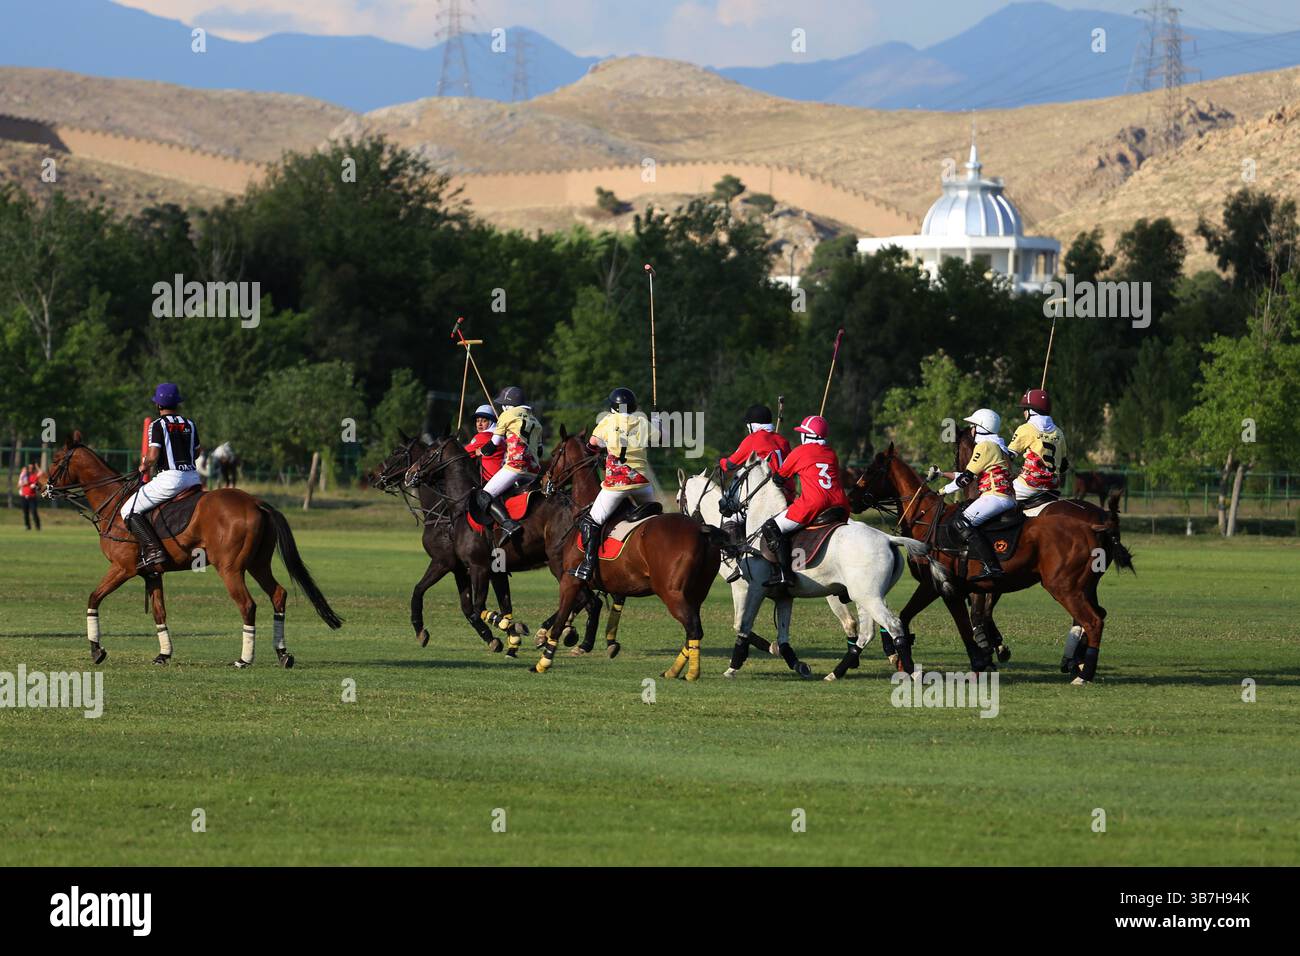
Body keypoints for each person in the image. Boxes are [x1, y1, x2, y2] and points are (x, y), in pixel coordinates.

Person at [571, 387, 660, 583]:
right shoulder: (643, 422)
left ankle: (587, 565)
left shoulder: (607, 421)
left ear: (612, 406)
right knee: (655, 518)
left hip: (616, 484)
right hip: (642, 482)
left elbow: (592, 445)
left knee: (591, 521)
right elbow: (659, 439)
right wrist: (657, 423)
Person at [119, 383, 203, 570]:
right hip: (193, 478)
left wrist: (144, 465)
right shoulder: (190, 424)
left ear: (158, 405)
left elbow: (154, 455)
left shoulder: (157, 425)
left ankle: (153, 550)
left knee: (128, 510)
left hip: (170, 480)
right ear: (177, 404)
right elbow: (197, 452)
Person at [762, 415, 851, 589]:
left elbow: (779, 478)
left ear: (807, 436)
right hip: (840, 504)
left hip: (813, 504)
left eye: (803, 432)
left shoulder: (800, 452)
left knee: (771, 526)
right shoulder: (831, 453)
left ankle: (784, 573)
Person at [938, 408, 1014, 580]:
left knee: (960, 522)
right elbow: (968, 476)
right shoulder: (999, 445)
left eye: (973, 425)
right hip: (1005, 496)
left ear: (980, 428)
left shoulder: (985, 446)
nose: (971, 430)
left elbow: (965, 479)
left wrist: (940, 492)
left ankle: (992, 567)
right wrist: (942, 475)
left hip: (995, 496)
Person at [474, 386, 541, 540]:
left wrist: (480, 452)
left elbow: (492, 446)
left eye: (503, 404)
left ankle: (508, 524)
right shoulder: (535, 421)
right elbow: (539, 450)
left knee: (484, 495)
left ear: (507, 405)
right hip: (534, 470)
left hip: (515, 467)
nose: (502, 407)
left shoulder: (506, 415)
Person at [1008, 388, 1068, 501]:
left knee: (999, 496)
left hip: (1028, 486)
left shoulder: (1026, 428)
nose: (1023, 412)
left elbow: (1008, 457)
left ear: (1031, 411)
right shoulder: (1059, 432)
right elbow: (1064, 464)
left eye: (1025, 409)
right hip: (1053, 486)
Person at [718, 404, 791, 474]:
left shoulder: (753, 439)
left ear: (752, 426)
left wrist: (721, 461)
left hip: (768, 484)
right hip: (789, 485)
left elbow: (730, 465)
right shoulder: (783, 440)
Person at [463, 404, 504, 484]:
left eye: (484, 421)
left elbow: (463, 454)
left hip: (493, 479)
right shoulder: (502, 434)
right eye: (477, 421)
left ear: (491, 422)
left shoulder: (484, 436)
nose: (479, 424)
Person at [18, 460, 42, 530]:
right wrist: (25, 483)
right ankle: (27, 526)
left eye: (32, 467)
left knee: (34, 511)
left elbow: (41, 472)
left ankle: (38, 526)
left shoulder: (35, 475)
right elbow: (19, 485)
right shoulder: (24, 475)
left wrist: (37, 466)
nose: (30, 469)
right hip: (24, 496)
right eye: (29, 468)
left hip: (32, 497)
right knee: (25, 513)